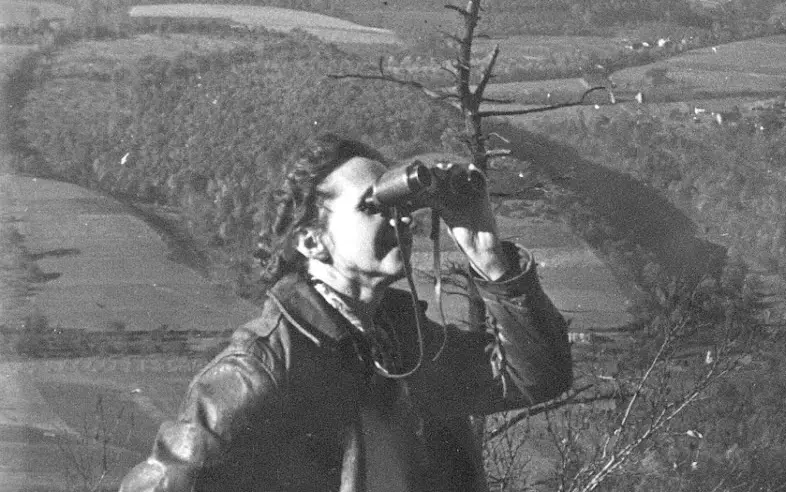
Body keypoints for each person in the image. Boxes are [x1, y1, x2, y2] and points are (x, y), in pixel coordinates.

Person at [119, 134, 572, 491]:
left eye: (401, 206)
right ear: (312, 241)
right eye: (374, 207)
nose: (401, 220)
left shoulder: (404, 343)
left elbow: (536, 377)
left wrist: (489, 258)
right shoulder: (263, 367)